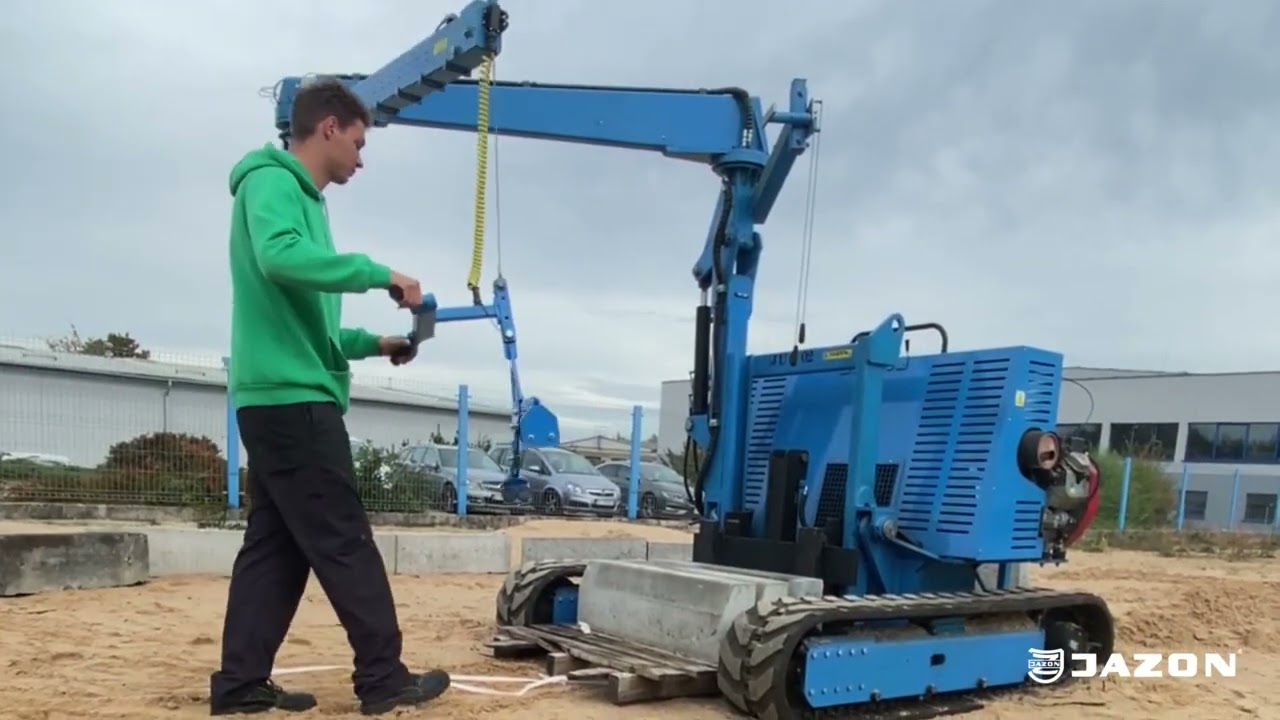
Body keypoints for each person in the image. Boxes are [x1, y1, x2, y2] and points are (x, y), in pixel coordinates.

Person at [209, 79, 449, 716]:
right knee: (343, 539)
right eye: (360, 143)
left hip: (280, 393)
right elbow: (279, 259)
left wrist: (379, 342)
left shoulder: (305, 203)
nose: (362, 159)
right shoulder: (271, 182)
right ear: (330, 128)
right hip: (292, 402)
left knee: (276, 548)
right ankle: (384, 679)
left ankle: (238, 687)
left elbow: (314, 327)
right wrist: (379, 273)